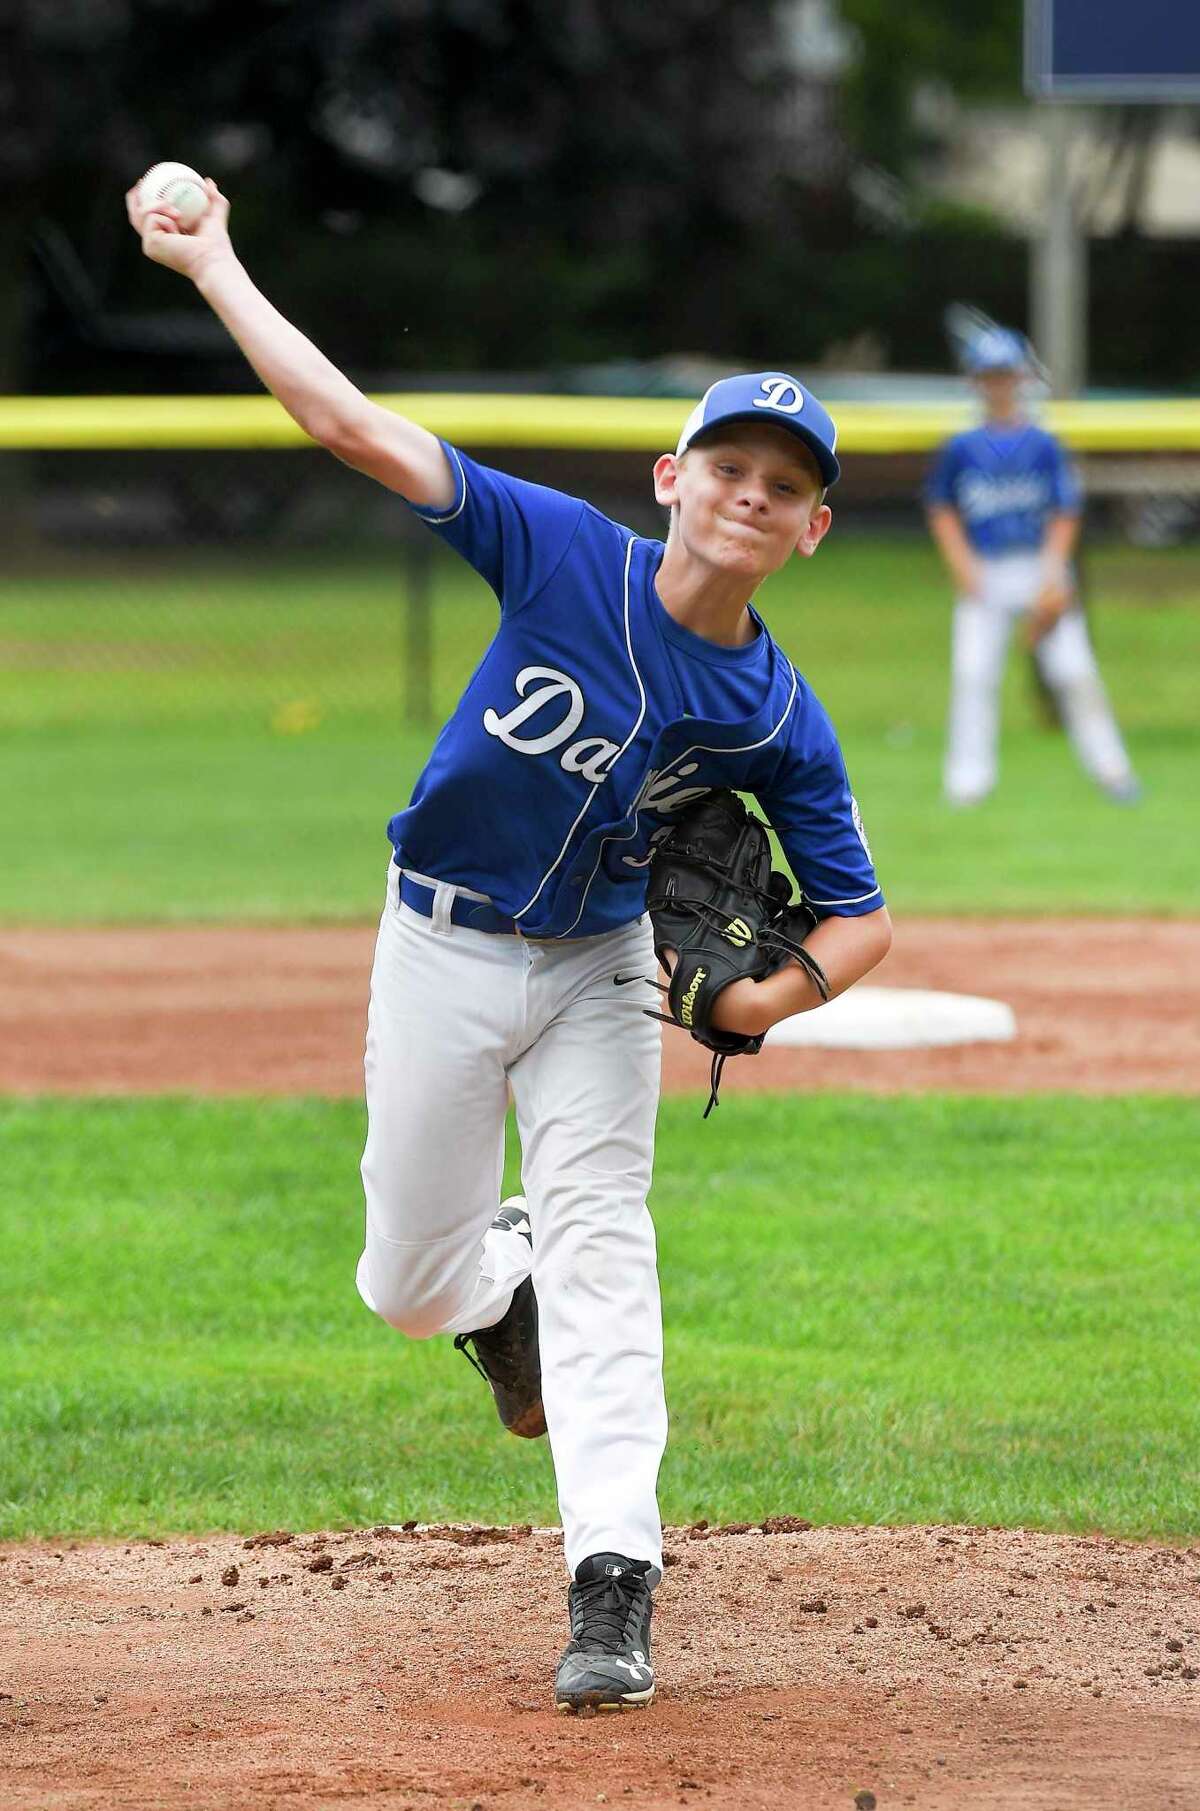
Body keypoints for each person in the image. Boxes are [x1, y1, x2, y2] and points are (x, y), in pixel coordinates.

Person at [127, 175, 892, 1712]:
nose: (753, 490)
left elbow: (863, 910)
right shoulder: (558, 552)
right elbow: (351, 427)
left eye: (786, 482)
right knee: (407, 1279)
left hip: (604, 969)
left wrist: (761, 991)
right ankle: (499, 1293)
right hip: (441, 947)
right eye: (730, 461)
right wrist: (214, 260)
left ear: (814, 529)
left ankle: (615, 1583)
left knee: (612, 1245)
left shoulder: (775, 715)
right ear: (673, 476)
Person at [925, 326, 1140, 807]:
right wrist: (961, 564)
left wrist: (1053, 575)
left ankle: (1113, 771)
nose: (999, 385)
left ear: (1021, 379)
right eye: (990, 376)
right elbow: (942, 507)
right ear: (976, 382)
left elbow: (1064, 511)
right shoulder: (962, 446)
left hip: (1037, 565)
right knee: (975, 674)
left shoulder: (1043, 443)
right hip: (985, 567)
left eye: (1006, 375)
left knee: (1073, 671)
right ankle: (967, 784)